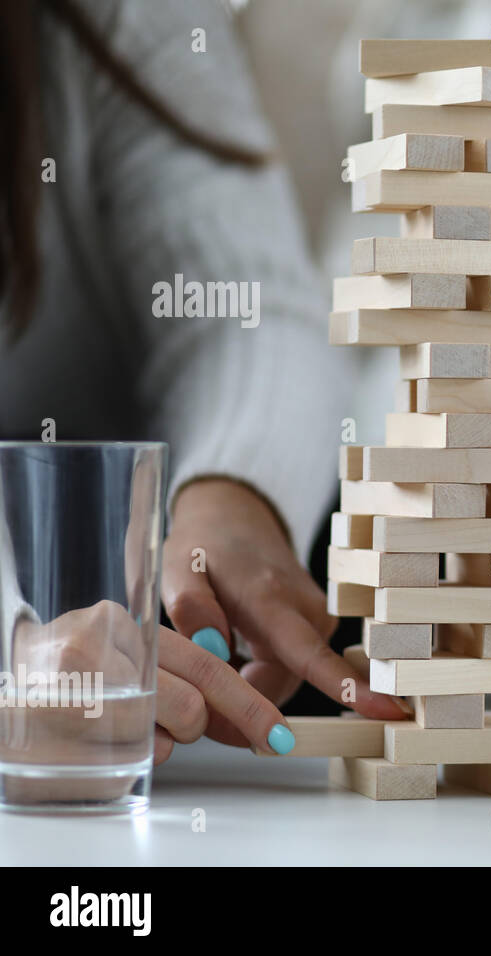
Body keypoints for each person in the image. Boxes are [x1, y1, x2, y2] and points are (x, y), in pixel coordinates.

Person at [0, 0, 408, 763]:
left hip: (159, 698)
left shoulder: (124, 18)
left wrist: (232, 491)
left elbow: (250, 305)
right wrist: (15, 647)